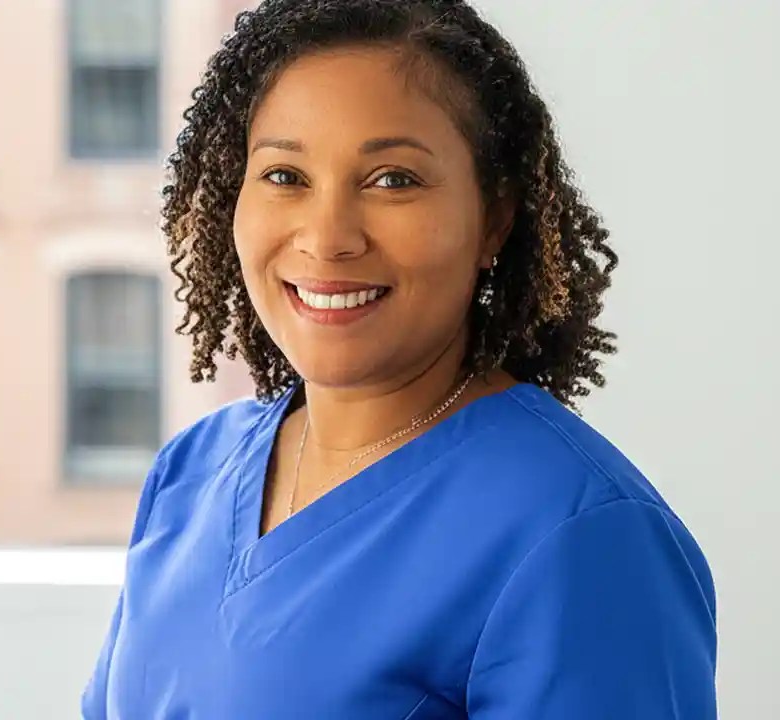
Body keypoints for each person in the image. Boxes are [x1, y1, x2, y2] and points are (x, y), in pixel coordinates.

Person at [81, 0, 717, 717]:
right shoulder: (190, 473)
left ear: (494, 220)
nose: (328, 238)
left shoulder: (582, 532)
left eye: (393, 179)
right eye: (285, 176)